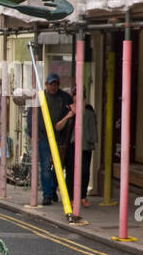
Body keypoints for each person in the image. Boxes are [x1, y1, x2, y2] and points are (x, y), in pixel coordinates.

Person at [35, 73, 74, 206]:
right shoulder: (40, 98)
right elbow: (32, 117)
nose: (53, 87)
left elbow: (73, 111)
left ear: (59, 85)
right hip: (44, 137)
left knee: (58, 167)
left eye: (55, 84)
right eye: (51, 84)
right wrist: (34, 135)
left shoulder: (65, 98)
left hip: (61, 137)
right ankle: (47, 194)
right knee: (46, 166)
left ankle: (52, 190)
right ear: (46, 85)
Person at [80, 99, 97, 207]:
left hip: (86, 146)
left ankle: (83, 196)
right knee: (72, 172)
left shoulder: (89, 111)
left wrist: (92, 140)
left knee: (85, 172)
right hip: (72, 146)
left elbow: (93, 128)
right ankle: (72, 197)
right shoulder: (70, 109)